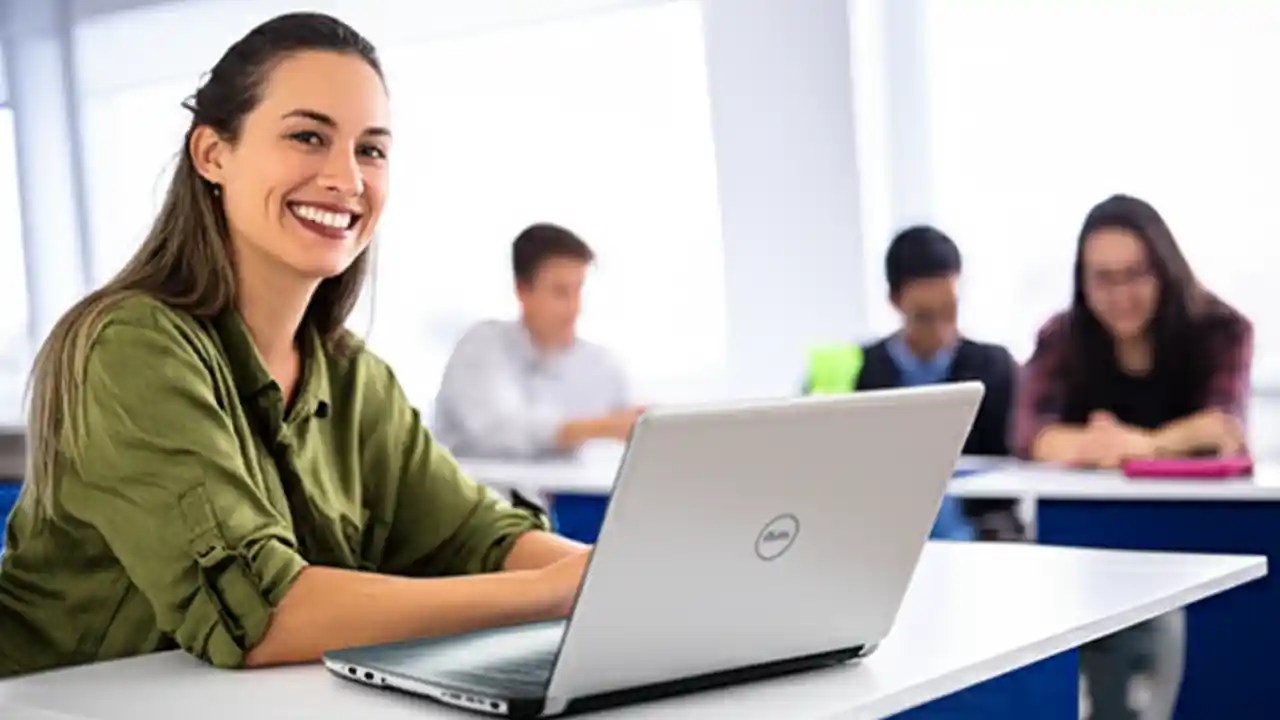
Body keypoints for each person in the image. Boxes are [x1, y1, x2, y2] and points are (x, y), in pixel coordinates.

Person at [0, 13, 588, 679]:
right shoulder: (126, 348)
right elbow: (261, 612)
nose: (347, 179)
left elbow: (472, 535)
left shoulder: (351, 375)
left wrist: (607, 573)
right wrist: (548, 594)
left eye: (370, 149)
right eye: (308, 137)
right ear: (212, 155)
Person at [1012, 194, 1253, 720]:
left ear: (1165, 268)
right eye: (1103, 278)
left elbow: (1223, 426)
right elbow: (1030, 433)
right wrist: (1094, 446)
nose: (1119, 294)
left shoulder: (1218, 327)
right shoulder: (1064, 334)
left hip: (1200, 537)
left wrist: (1138, 444)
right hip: (1090, 542)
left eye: (1135, 274)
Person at [805, 225, 1022, 540]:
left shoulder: (994, 367)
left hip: (977, 541)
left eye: (950, 311)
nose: (941, 331)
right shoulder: (855, 372)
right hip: (879, 538)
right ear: (895, 300)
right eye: (924, 316)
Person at [432, 223, 642, 459]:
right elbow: (498, 430)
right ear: (522, 290)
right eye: (561, 292)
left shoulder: (603, 366)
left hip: (576, 494)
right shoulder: (482, 347)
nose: (574, 307)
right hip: (483, 491)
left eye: (579, 290)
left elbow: (629, 439)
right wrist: (601, 428)